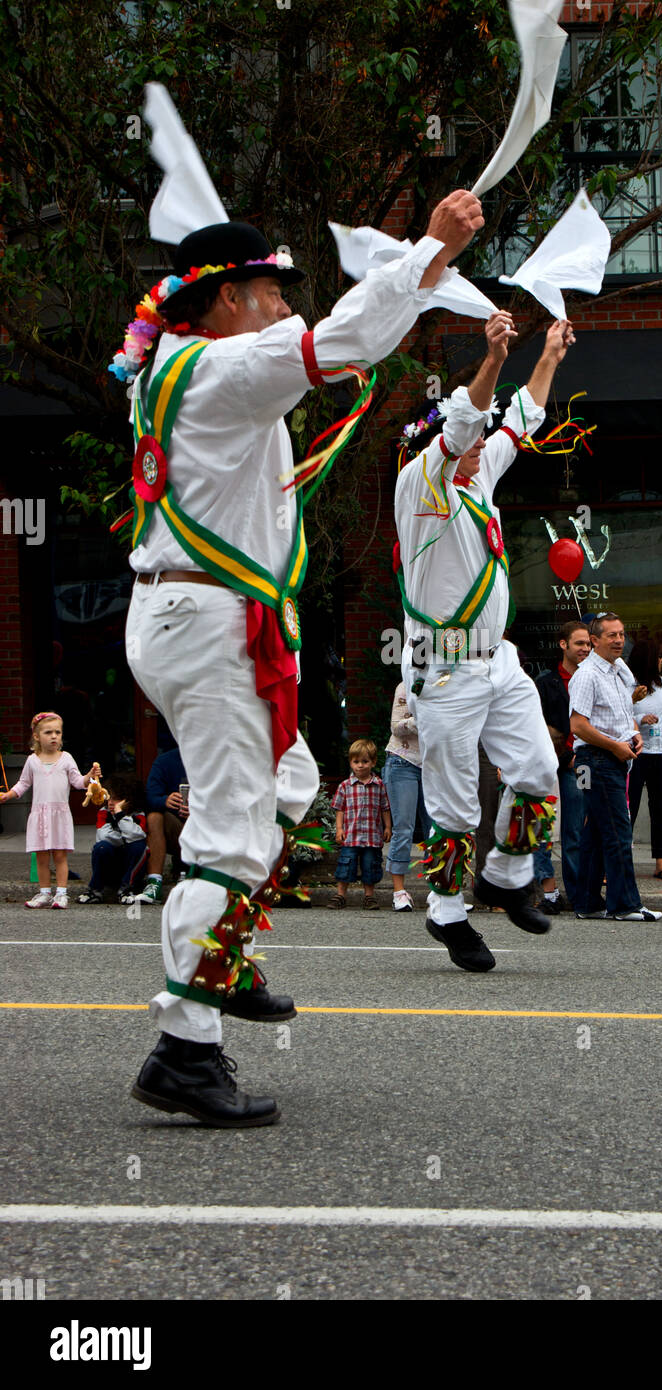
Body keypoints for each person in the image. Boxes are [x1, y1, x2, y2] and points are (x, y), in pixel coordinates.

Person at [124, 190, 485, 1126]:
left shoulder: (177, 368)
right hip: (208, 625)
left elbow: (345, 335)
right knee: (236, 827)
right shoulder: (219, 368)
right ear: (224, 301)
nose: (286, 305)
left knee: (289, 783)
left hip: (187, 617)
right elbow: (341, 342)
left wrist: (428, 267)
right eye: (272, 289)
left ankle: (224, 958)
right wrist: (426, 251)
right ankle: (186, 1043)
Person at [395, 317, 574, 971]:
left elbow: (520, 418)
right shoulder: (420, 489)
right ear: (438, 442)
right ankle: (446, 911)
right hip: (443, 671)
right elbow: (470, 418)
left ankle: (505, 871)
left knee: (538, 772)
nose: (481, 446)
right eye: (467, 440)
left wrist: (548, 353)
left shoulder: (476, 482)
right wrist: (494, 355)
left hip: (497, 662)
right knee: (454, 804)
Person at [569, 613, 662, 922]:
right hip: (595, 761)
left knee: (595, 832)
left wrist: (633, 732)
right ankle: (624, 905)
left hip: (613, 757)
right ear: (595, 640)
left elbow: (624, 711)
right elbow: (578, 725)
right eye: (611, 635)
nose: (619, 640)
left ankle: (586, 902)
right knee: (618, 832)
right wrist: (614, 745)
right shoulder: (587, 675)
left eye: (621, 634)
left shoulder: (617, 669)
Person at [0, 713, 100, 909]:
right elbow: (23, 783)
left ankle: (61, 894)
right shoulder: (32, 760)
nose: (54, 736)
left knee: (60, 856)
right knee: (42, 857)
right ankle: (45, 893)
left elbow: (78, 782)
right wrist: (8, 795)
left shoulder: (66, 758)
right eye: (48, 732)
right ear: (36, 736)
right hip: (39, 816)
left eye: (57, 732)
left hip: (60, 815)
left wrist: (89, 775)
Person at [533, 620, 591, 912]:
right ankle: (548, 890)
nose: (584, 649)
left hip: (581, 765)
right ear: (563, 644)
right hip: (547, 763)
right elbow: (536, 725)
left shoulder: (592, 678)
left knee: (576, 829)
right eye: (579, 643)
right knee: (542, 827)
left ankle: (578, 892)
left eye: (588, 644)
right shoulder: (545, 682)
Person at [626, 639, 662, 880]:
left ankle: (660, 861)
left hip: (661, 752)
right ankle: (623, 860)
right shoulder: (628, 683)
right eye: (658, 657)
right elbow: (622, 711)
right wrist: (641, 717)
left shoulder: (661, 684)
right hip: (637, 753)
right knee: (631, 807)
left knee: (660, 809)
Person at [383, 682, 429, 911]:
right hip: (403, 761)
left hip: (433, 765)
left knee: (437, 829)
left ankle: (441, 892)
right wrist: (421, 721)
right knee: (404, 827)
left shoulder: (449, 684)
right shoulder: (406, 686)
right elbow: (395, 726)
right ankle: (399, 892)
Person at [330, 739, 392, 909]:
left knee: (370, 866)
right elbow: (340, 809)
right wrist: (340, 829)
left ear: (373, 762)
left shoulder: (379, 785)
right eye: (356, 762)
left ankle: (369, 896)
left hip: (372, 836)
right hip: (351, 835)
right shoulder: (345, 786)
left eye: (365, 761)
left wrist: (387, 827)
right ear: (350, 763)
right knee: (346, 864)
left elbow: (385, 808)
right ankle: (341, 894)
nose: (360, 766)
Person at [77, 774, 148, 905]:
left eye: (116, 799)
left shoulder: (138, 814)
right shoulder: (104, 812)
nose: (110, 803)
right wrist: (125, 838)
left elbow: (137, 836)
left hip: (130, 868)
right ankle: (95, 890)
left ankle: (127, 889)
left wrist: (120, 815)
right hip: (111, 865)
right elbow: (104, 836)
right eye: (109, 798)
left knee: (139, 846)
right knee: (102, 847)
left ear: (128, 800)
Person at [136, 746, 189, 905]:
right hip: (175, 825)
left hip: (206, 826)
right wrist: (165, 800)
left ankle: (190, 873)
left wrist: (200, 808)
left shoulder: (214, 760)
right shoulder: (165, 761)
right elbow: (150, 798)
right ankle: (154, 882)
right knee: (154, 817)